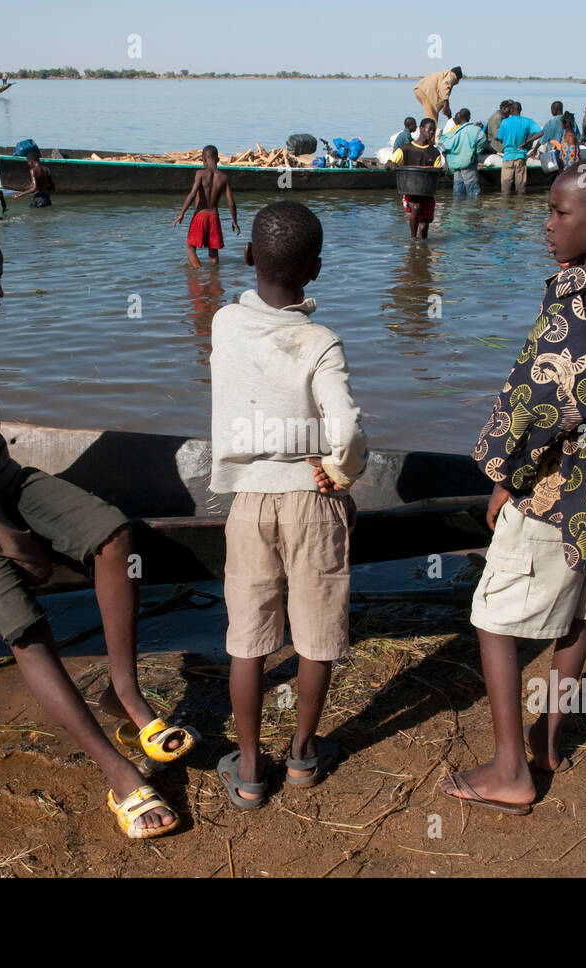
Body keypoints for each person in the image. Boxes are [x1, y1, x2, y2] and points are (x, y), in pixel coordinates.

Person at [0, 223, 196, 840]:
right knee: (27, 626)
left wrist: (19, 516)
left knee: (112, 536)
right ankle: (119, 773)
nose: (5, 292)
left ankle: (124, 694)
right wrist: (10, 541)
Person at [439, 158, 586, 814]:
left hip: (556, 499)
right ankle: (546, 741)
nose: (547, 225)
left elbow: (533, 403)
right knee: (574, 617)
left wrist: (504, 479)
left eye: (559, 212)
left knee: (493, 620)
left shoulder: (572, 307)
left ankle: (512, 770)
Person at [209, 201, 368, 809]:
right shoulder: (321, 341)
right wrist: (339, 471)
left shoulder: (224, 323)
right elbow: (347, 427)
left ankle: (249, 770)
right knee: (317, 634)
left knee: (247, 640)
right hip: (310, 500)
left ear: (249, 256)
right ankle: (302, 756)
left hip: (249, 503)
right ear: (318, 270)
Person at [172, 145, 240, 268]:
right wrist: (234, 221)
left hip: (200, 215)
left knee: (190, 248)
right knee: (213, 251)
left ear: (203, 160)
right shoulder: (224, 177)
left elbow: (192, 194)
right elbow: (231, 202)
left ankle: (199, 271)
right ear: (218, 160)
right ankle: (214, 277)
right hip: (214, 216)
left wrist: (181, 213)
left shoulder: (200, 174)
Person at [385, 118, 444, 238]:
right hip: (410, 191)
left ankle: (422, 248)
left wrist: (442, 173)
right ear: (421, 129)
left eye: (433, 130)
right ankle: (413, 240)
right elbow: (388, 164)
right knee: (416, 208)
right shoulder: (405, 149)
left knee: (424, 223)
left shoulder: (434, 152)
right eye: (429, 129)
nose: (431, 132)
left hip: (427, 192)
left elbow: (437, 171)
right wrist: (392, 165)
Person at [496, 102, 543, 195]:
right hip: (521, 156)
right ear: (520, 110)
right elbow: (541, 133)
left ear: (511, 110)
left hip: (508, 157)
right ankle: (520, 207)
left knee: (505, 189)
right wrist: (526, 142)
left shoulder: (505, 122)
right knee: (521, 189)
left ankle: (505, 207)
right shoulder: (528, 121)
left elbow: (500, 139)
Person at [439, 108, 486, 198]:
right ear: (469, 117)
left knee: (458, 192)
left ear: (459, 117)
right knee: (473, 192)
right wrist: (477, 151)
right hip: (469, 165)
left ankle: (457, 211)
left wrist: (448, 158)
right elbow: (483, 139)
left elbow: (442, 146)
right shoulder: (475, 129)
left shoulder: (454, 132)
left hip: (456, 166)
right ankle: (471, 210)